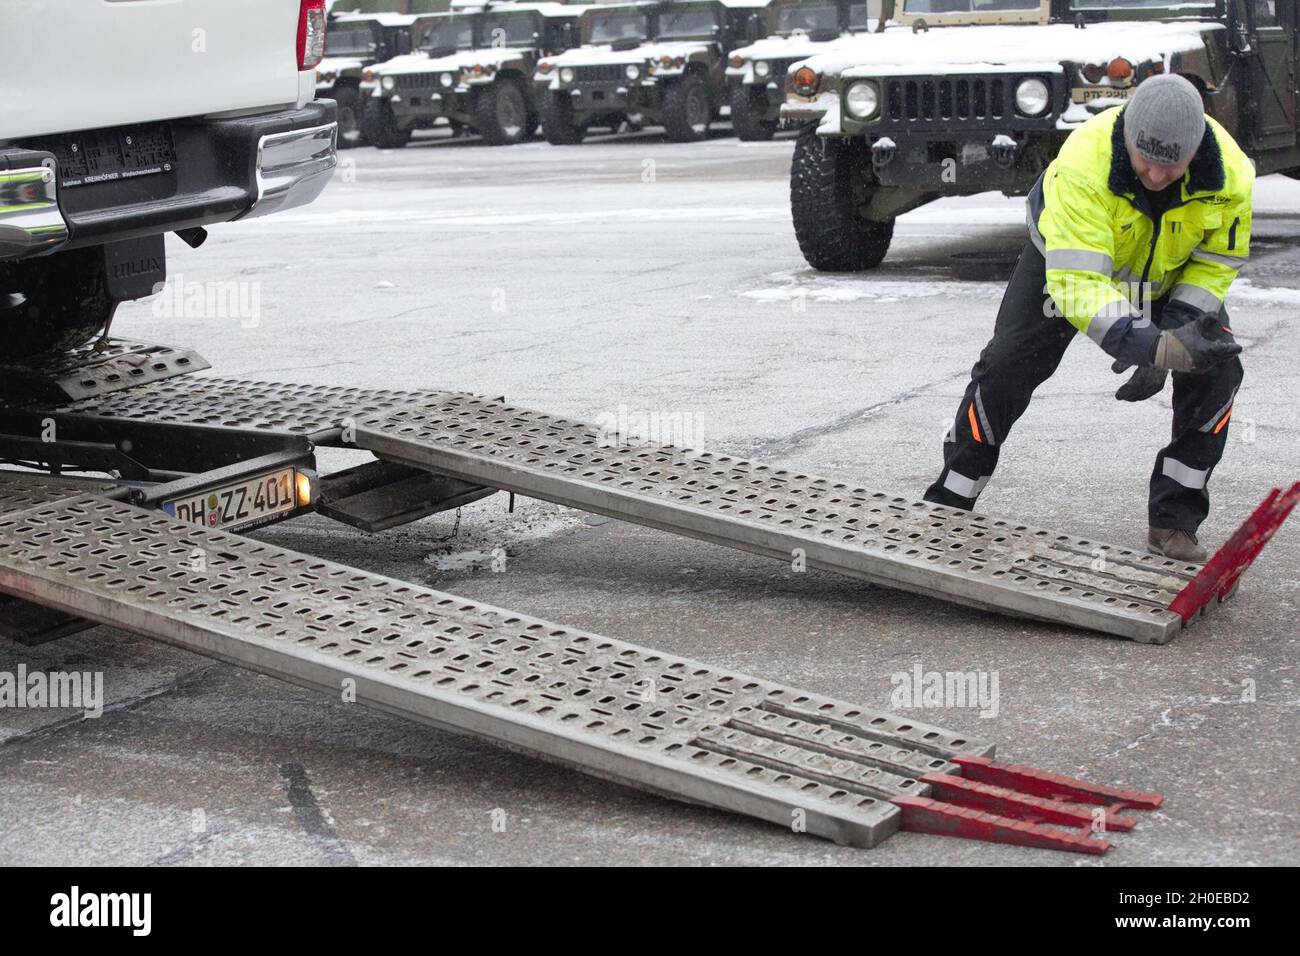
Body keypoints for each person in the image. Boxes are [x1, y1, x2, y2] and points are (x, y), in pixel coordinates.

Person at [923, 74, 1250, 562]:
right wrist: (1149, 346)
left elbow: (1216, 261)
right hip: (1067, 263)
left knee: (1219, 368)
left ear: (1197, 147)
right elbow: (1078, 286)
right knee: (1008, 365)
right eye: (1146, 161)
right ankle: (950, 500)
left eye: (1172, 165)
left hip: (1167, 275)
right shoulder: (1085, 163)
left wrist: (1180, 335)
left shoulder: (1231, 176)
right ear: (1126, 136)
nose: (1157, 177)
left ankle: (1174, 524)